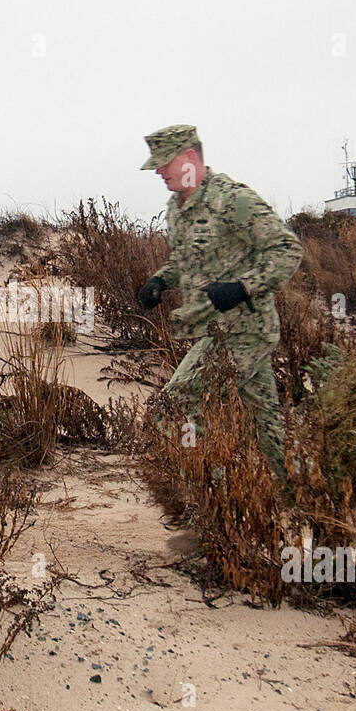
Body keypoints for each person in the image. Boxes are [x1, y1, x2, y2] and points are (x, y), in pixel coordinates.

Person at [136, 124, 302, 473]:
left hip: (246, 332)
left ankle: (205, 488)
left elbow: (287, 249)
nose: (159, 171)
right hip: (215, 331)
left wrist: (242, 287)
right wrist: (160, 280)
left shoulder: (232, 199)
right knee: (267, 426)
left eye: (164, 162)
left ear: (190, 157)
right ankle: (298, 497)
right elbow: (185, 260)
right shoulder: (177, 208)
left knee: (176, 407)